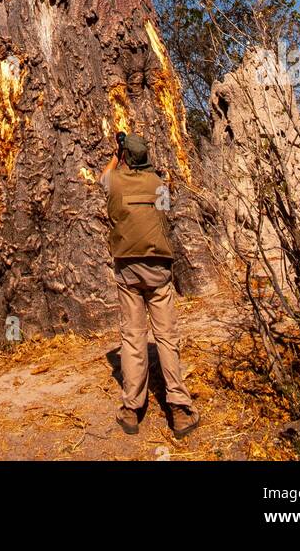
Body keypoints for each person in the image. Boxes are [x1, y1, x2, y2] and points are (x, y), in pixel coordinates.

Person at [100, 132, 199, 438]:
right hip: (159, 268)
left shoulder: (114, 182)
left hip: (128, 269)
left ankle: (131, 408)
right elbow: (165, 210)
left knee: (132, 337)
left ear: (126, 158)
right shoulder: (158, 184)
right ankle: (180, 409)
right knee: (166, 337)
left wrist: (117, 153)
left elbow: (105, 176)